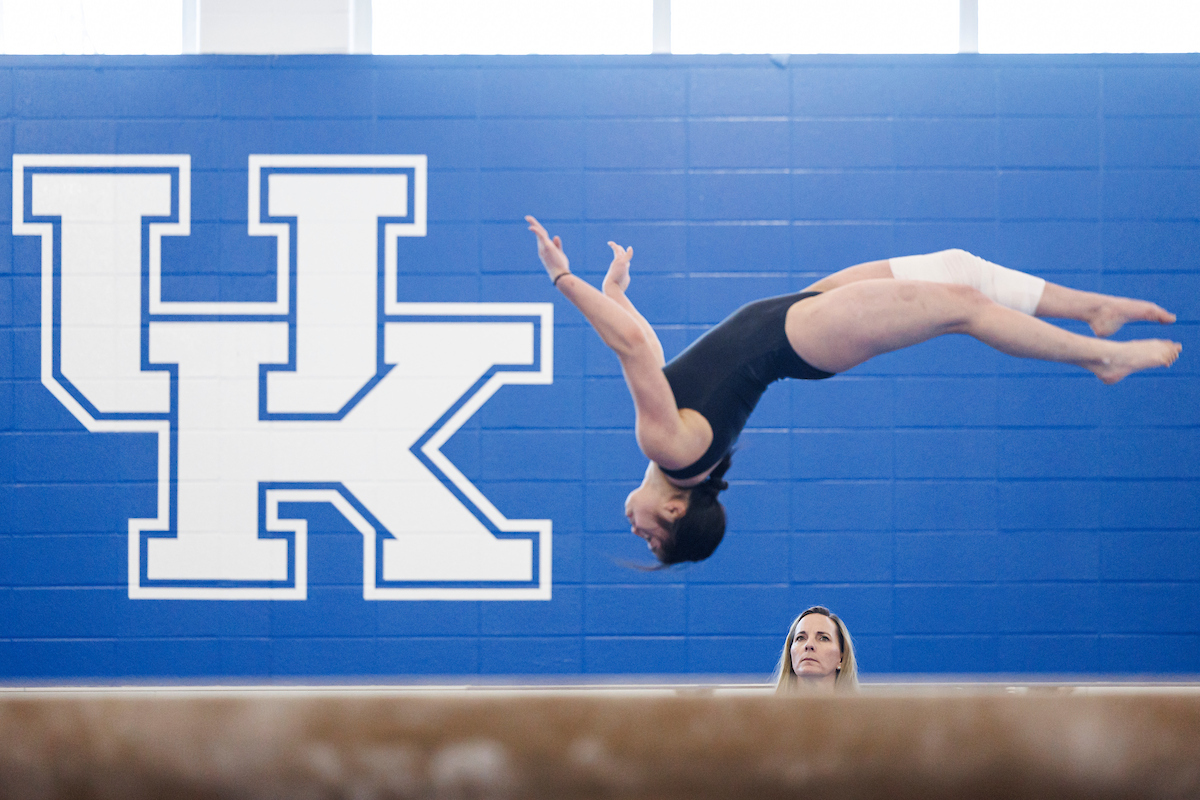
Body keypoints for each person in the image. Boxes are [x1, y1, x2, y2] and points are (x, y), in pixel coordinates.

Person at [526, 215, 1181, 565]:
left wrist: (615, 293)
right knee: (962, 306)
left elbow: (660, 355)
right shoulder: (666, 446)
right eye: (649, 539)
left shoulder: (675, 450)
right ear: (672, 514)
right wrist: (564, 280)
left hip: (794, 318)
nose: (631, 526)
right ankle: (1103, 355)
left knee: (956, 272)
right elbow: (634, 349)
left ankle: (1093, 309)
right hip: (799, 334)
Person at [775, 606, 858, 693]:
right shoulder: (767, 706)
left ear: (841, 658)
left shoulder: (861, 706)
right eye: (800, 638)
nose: (809, 645)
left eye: (823, 638)